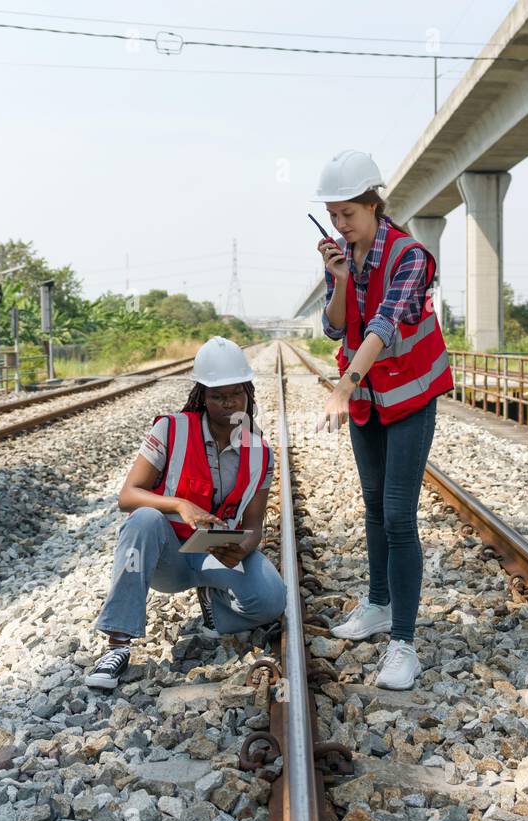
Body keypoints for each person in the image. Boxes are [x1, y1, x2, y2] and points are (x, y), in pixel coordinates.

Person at [311, 149, 454, 691]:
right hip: (370, 398)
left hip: (411, 395)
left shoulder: (411, 256)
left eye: (348, 213)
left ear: (374, 204)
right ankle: (376, 604)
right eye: (333, 215)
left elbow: (387, 326)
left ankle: (403, 644)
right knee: (373, 508)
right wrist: (339, 277)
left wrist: (343, 385)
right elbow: (334, 327)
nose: (339, 224)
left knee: (398, 515)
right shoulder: (346, 254)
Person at [86, 336, 288, 690]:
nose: (228, 403)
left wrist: (244, 547)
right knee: (143, 518)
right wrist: (179, 504)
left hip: (217, 557)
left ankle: (215, 604)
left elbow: (255, 526)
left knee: (272, 599)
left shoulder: (260, 450)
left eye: (235, 394)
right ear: (202, 396)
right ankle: (117, 644)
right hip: (170, 558)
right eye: (217, 396)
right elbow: (128, 495)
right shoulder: (170, 429)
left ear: (248, 392)